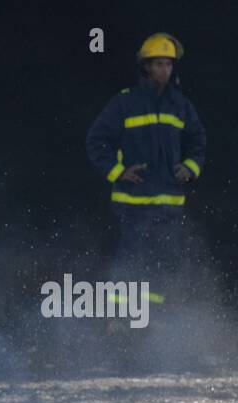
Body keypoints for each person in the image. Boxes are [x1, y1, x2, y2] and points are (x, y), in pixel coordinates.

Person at [85, 32, 206, 311]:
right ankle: (118, 320)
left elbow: (198, 140)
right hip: (134, 203)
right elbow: (96, 140)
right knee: (129, 260)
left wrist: (190, 167)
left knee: (163, 264)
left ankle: (151, 320)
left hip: (169, 204)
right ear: (146, 67)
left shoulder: (181, 105)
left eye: (169, 64)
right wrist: (117, 171)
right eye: (159, 64)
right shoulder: (125, 102)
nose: (165, 70)